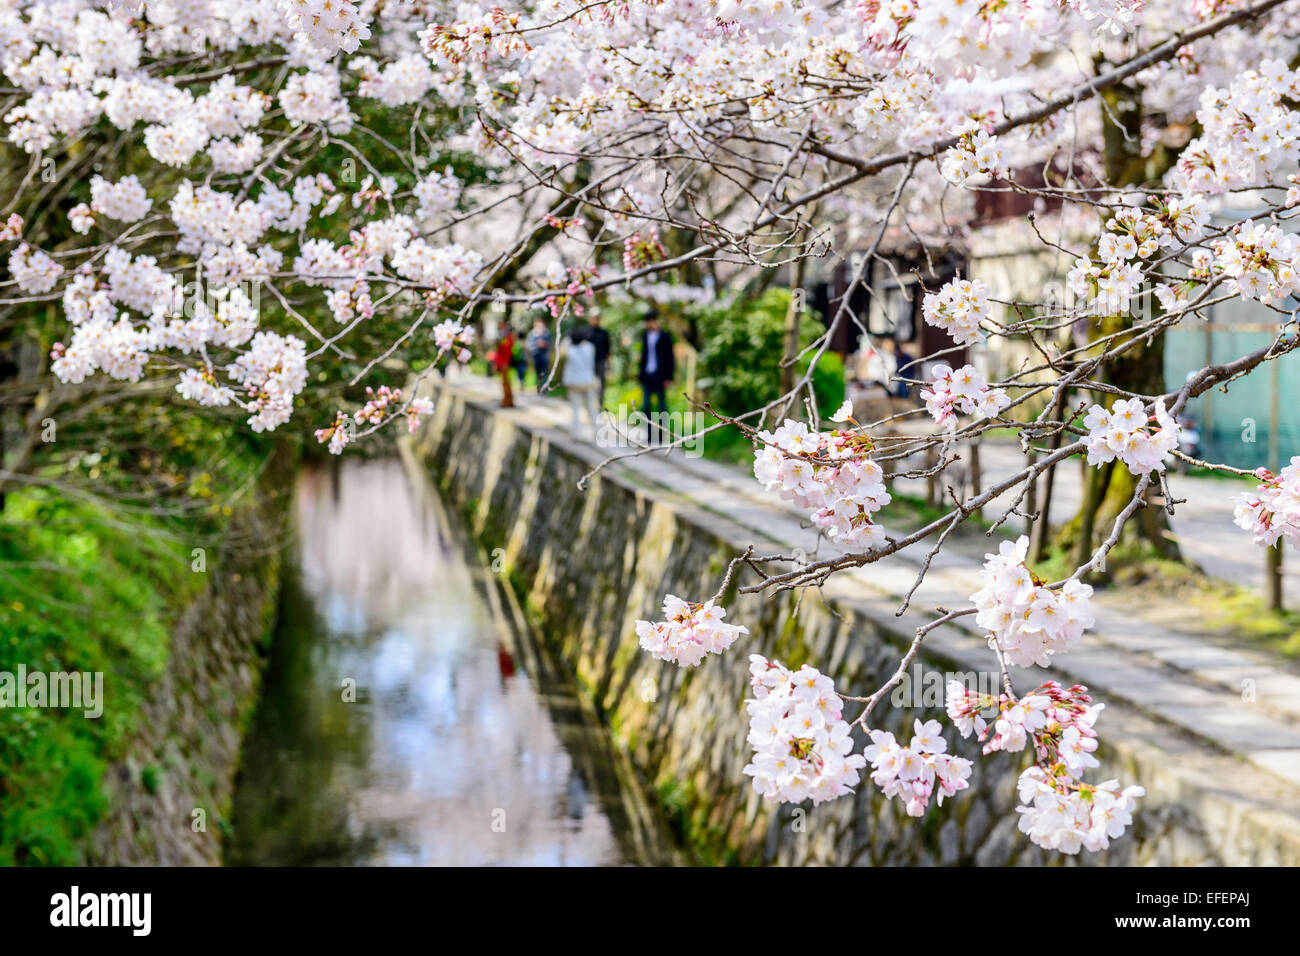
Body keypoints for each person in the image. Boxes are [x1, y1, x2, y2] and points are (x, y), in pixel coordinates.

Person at [638, 309, 675, 443]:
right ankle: (649, 434)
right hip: (648, 375)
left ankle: (661, 435)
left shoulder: (665, 336)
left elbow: (670, 358)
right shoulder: (645, 335)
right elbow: (643, 356)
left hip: (660, 376)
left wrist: (669, 377)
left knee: (661, 407)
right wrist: (640, 375)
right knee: (646, 406)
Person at [560, 326, 600, 438]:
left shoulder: (569, 350)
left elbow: (561, 352)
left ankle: (576, 433)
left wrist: (566, 340)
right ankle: (596, 431)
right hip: (588, 382)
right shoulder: (590, 347)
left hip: (574, 384)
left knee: (575, 410)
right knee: (591, 409)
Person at [588, 312, 611, 408]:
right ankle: (589, 407)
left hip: (601, 361)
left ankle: (599, 406)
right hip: (589, 363)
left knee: (601, 386)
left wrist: (609, 366)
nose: (596, 320)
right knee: (589, 385)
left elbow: (608, 351)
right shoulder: (587, 332)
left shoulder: (604, 333)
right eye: (594, 318)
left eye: (597, 318)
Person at [492, 319, 515, 408]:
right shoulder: (501, 336)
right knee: (504, 382)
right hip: (501, 362)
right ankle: (506, 400)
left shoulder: (507, 336)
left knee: (506, 382)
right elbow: (499, 351)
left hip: (504, 362)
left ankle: (508, 401)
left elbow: (508, 350)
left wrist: (505, 362)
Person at [526, 318, 553, 391]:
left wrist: (545, 344)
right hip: (536, 356)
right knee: (537, 373)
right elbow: (528, 345)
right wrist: (536, 345)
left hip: (545, 357)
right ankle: (538, 388)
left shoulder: (547, 333)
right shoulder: (532, 334)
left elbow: (551, 344)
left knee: (544, 373)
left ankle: (544, 389)